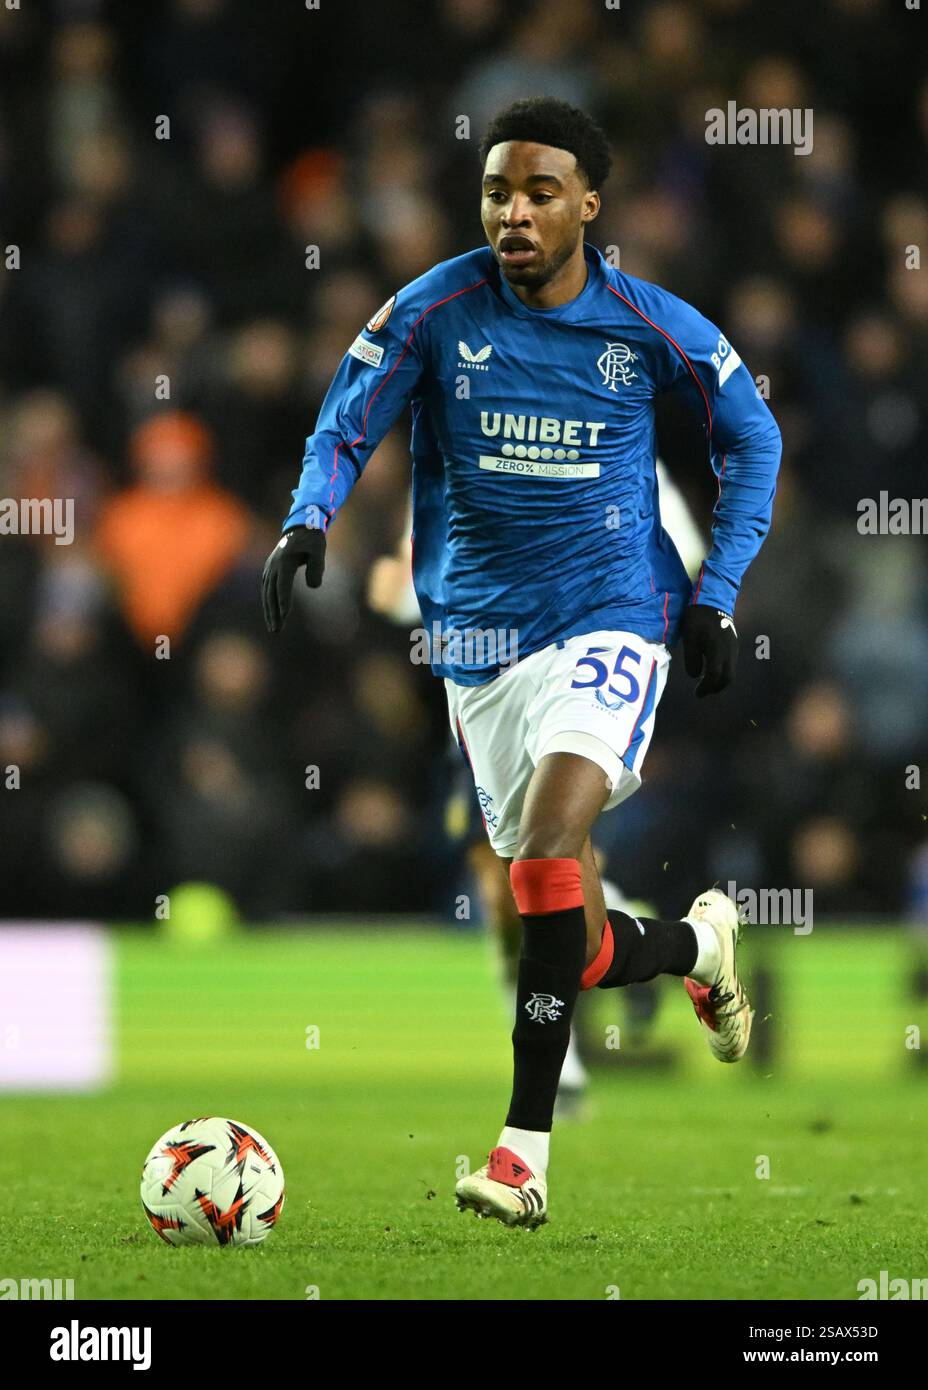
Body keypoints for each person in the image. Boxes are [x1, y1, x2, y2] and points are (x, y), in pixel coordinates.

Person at [262, 97, 781, 1229]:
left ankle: (520, 1154)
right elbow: (346, 420)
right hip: (478, 650)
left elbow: (756, 437)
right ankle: (698, 944)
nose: (514, 210)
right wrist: (310, 519)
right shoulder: (436, 309)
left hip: (609, 620)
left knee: (550, 842)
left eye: (541, 191)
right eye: (498, 190)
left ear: (590, 206)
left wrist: (716, 595)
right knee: (568, 929)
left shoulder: (649, 326)